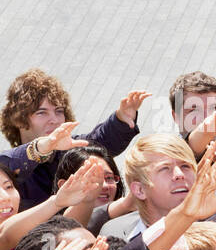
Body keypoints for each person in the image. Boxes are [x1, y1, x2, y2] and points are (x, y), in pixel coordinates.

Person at [0, 68, 149, 208]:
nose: (54, 120)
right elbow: (7, 164)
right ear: (19, 119)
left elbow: (100, 141)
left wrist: (121, 120)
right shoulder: (10, 164)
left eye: (59, 111)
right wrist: (40, 149)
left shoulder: (69, 150)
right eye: (42, 113)